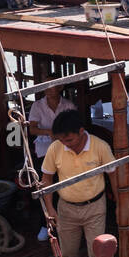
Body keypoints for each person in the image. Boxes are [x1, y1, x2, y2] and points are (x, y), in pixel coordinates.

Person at [39, 110, 117, 257]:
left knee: (98, 252)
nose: (66, 144)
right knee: (68, 255)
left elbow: (113, 175)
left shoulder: (100, 146)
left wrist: (120, 203)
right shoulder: (55, 148)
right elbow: (47, 178)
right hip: (66, 209)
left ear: (81, 131)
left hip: (95, 207)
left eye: (69, 140)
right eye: (61, 140)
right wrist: (50, 208)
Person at [27, 87, 77, 241]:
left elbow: (75, 126)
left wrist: (62, 134)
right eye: (45, 87)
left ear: (60, 87)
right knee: (45, 188)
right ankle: (45, 224)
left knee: (65, 186)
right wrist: (49, 132)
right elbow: (32, 129)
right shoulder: (38, 105)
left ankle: (68, 225)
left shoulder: (68, 105)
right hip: (44, 150)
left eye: (52, 86)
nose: (48, 90)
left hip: (65, 149)